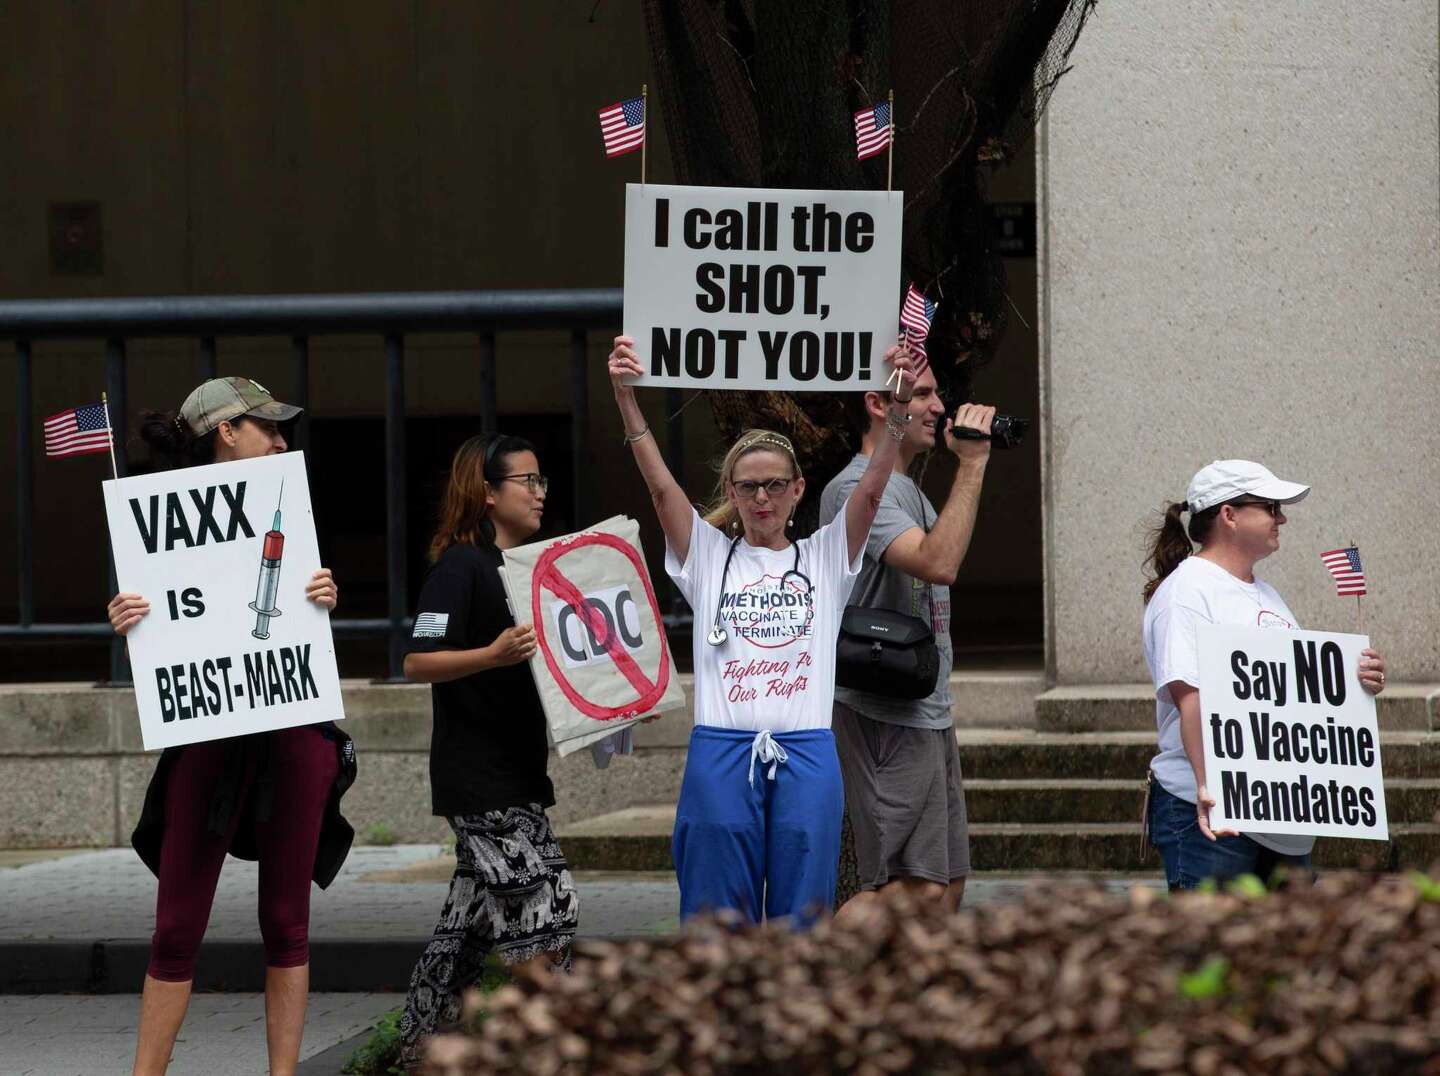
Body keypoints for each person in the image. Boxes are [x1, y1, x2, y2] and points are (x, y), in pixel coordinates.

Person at [606, 333, 916, 926]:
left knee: (805, 911)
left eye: (775, 484)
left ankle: (792, 1016)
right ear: (732, 493)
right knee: (716, 915)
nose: (762, 497)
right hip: (722, 750)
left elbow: (873, 491)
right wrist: (626, 399)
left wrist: (897, 418)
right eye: (748, 486)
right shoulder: (709, 555)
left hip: (806, 751)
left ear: (798, 490)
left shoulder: (824, 558)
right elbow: (660, 488)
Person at [108, 376, 355, 1076]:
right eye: (268, 429)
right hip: (210, 739)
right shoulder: (159, 531)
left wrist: (321, 598)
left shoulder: (292, 510)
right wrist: (130, 623)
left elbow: (299, 640)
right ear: (226, 431)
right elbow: (170, 647)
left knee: (287, 922)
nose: (282, 441)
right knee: (177, 927)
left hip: (295, 733)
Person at [397, 433, 578, 1065]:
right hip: (479, 780)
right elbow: (418, 661)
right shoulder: (460, 566)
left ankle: (421, 1047)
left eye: (541, 480)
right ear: (487, 492)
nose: (538, 493)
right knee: (547, 908)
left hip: (519, 772)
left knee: (466, 930)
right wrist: (491, 654)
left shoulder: (528, 567)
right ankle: (548, 1050)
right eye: (526, 481)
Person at [1142, 459, 1388, 889]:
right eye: (1271, 507)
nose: (1282, 517)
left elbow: (1294, 694)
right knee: (1215, 949)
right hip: (1213, 815)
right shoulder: (1186, 591)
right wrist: (1206, 786)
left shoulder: (1266, 595)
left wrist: (1354, 680)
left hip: (1278, 818)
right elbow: (1190, 697)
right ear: (1229, 515)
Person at [819, 360, 995, 919]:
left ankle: (898, 1004)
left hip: (927, 710)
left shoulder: (907, 491)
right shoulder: (856, 488)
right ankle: (803, 989)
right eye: (924, 394)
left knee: (947, 888)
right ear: (880, 404)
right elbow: (937, 562)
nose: (941, 408)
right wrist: (974, 463)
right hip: (883, 713)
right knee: (912, 888)